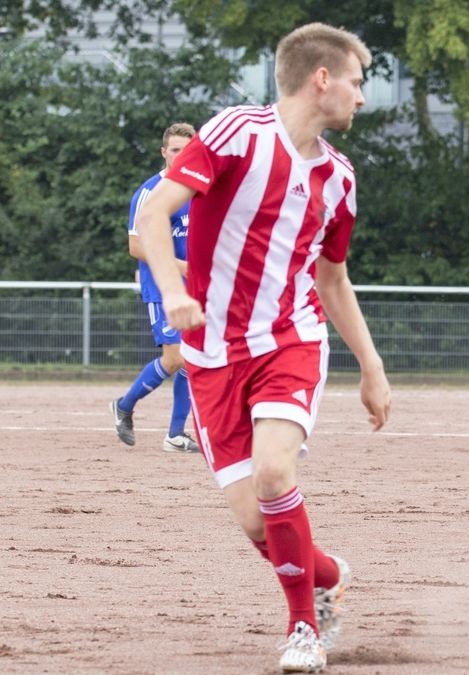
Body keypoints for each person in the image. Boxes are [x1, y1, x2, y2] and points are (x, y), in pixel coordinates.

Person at [132, 22, 391, 673]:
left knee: (275, 473)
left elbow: (332, 279)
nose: (362, 97)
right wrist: (173, 292)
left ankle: (304, 626)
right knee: (256, 521)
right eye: (357, 82)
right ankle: (326, 575)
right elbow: (154, 215)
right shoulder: (236, 133)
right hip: (210, 356)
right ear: (322, 79)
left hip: (289, 339)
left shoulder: (339, 177)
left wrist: (371, 365)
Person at [111, 123, 200, 453]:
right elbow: (136, 246)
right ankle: (124, 405)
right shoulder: (150, 192)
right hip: (162, 286)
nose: (181, 156)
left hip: (195, 289)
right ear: (164, 152)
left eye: (187, 150)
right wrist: (182, 267)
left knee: (194, 359)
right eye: (175, 150)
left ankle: (176, 435)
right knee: (176, 357)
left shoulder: (200, 190)